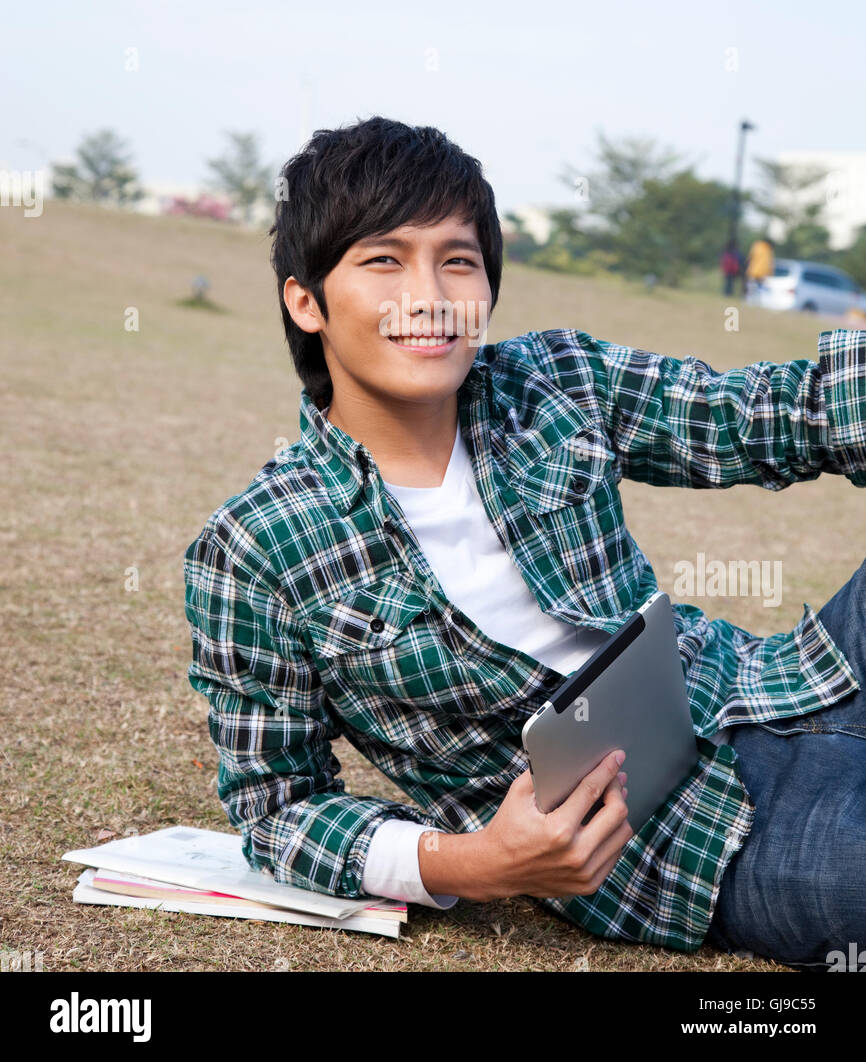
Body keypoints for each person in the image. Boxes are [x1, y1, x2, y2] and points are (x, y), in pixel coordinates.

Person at [183, 117, 866, 968]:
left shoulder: (553, 381)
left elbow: (764, 415)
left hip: (777, 685)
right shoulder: (255, 548)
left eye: (457, 260)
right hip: (686, 843)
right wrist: (477, 862)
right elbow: (277, 811)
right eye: (384, 260)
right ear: (306, 300)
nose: (429, 295)